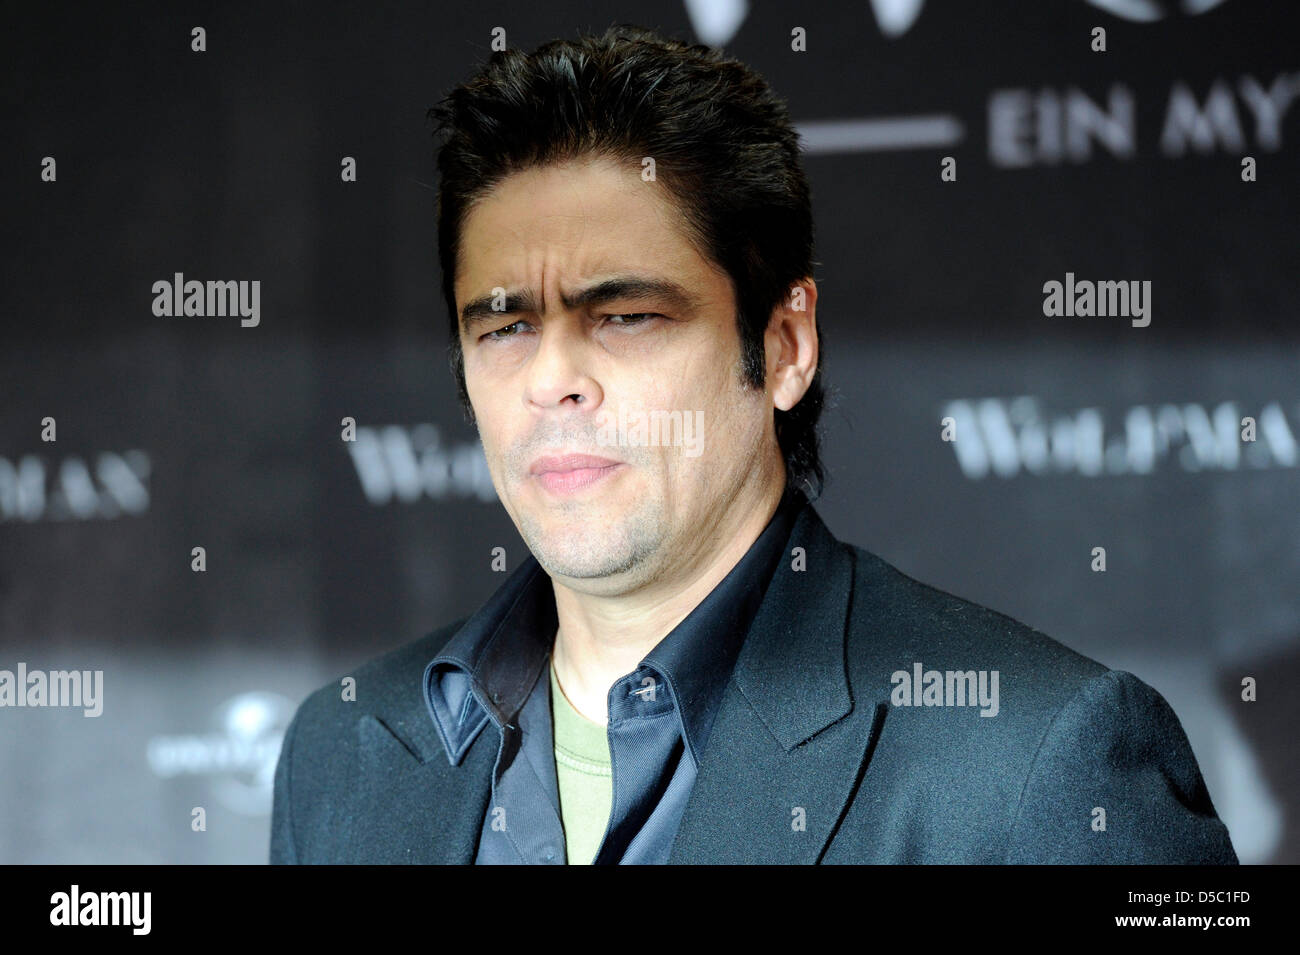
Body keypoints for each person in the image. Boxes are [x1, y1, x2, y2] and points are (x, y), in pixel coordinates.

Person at [270, 24, 1237, 864]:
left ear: (783, 347)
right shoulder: (345, 747)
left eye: (628, 315)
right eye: (504, 325)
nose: (550, 378)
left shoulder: (1037, 762)